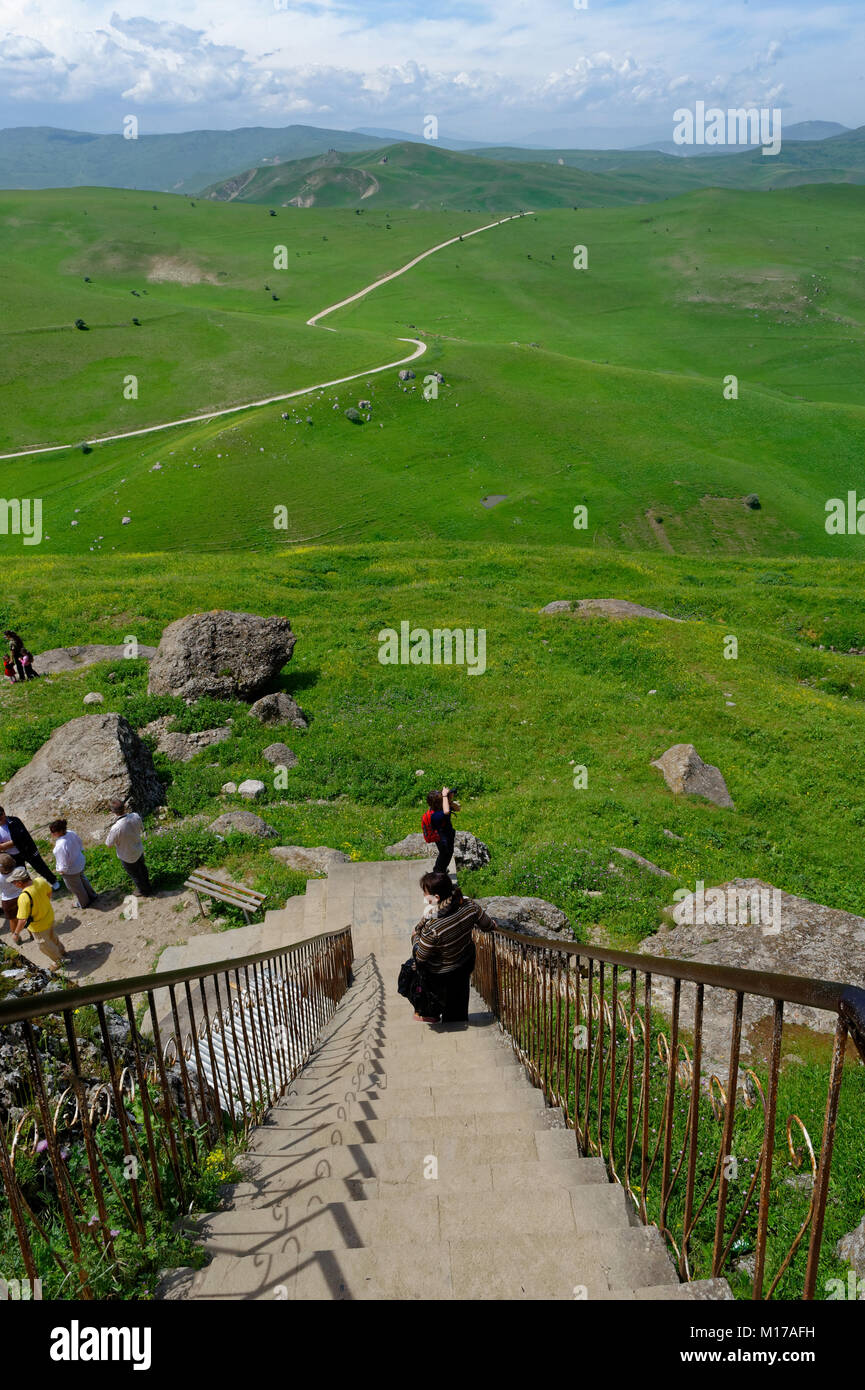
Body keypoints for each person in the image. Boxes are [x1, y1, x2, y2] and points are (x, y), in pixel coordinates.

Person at [409, 870, 497, 1023]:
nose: (424, 897)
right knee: (459, 996)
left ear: (436, 897)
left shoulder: (433, 927)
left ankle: (431, 1013)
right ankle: (456, 1019)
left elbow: (421, 956)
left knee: (436, 991)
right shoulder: (470, 906)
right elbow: (488, 925)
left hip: (441, 971)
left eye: (425, 893)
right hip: (464, 961)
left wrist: (415, 937)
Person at [9, 866, 69, 973]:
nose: (13, 884)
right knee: (52, 936)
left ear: (19, 883)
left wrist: (16, 934)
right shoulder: (40, 881)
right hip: (49, 916)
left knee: (45, 946)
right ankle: (62, 951)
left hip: (38, 926)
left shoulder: (24, 897)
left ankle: (59, 960)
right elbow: (49, 892)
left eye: (13, 882)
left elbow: (22, 920)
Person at [0, 807, 61, 888]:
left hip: (27, 849)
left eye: (0, 814)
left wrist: (3, 845)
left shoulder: (14, 821)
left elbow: (19, 838)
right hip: (13, 855)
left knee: (40, 866)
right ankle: (29, 889)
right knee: (20, 873)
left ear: (4, 812)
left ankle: (53, 881)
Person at [105, 799, 152, 896]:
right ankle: (148, 885)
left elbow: (108, 844)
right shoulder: (135, 816)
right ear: (124, 807)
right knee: (143, 869)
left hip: (127, 856)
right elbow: (141, 828)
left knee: (135, 875)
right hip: (138, 849)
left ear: (113, 812)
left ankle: (143, 891)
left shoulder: (116, 828)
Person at [49, 818, 97, 909]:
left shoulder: (60, 845)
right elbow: (80, 843)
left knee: (76, 887)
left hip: (71, 870)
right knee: (83, 879)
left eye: (52, 832)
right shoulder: (71, 833)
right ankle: (92, 895)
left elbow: (63, 862)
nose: (51, 834)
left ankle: (84, 902)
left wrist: (61, 871)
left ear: (58, 832)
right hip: (79, 861)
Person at [424, 786, 461, 874]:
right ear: (438, 803)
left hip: (448, 835)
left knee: (448, 853)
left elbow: (458, 809)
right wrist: (444, 796)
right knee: (445, 854)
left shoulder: (443, 807)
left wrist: (450, 800)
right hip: (441, 839)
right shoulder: (435, 815)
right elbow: (446, 812)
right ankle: (438, 872)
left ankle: (441, 869)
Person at [0, 852, 19, 934]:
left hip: (7, 901)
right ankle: (31, 934)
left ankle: (16, 938)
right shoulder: (19, 871)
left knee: (13, 920)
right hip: (21, 896)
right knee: (26, 918)